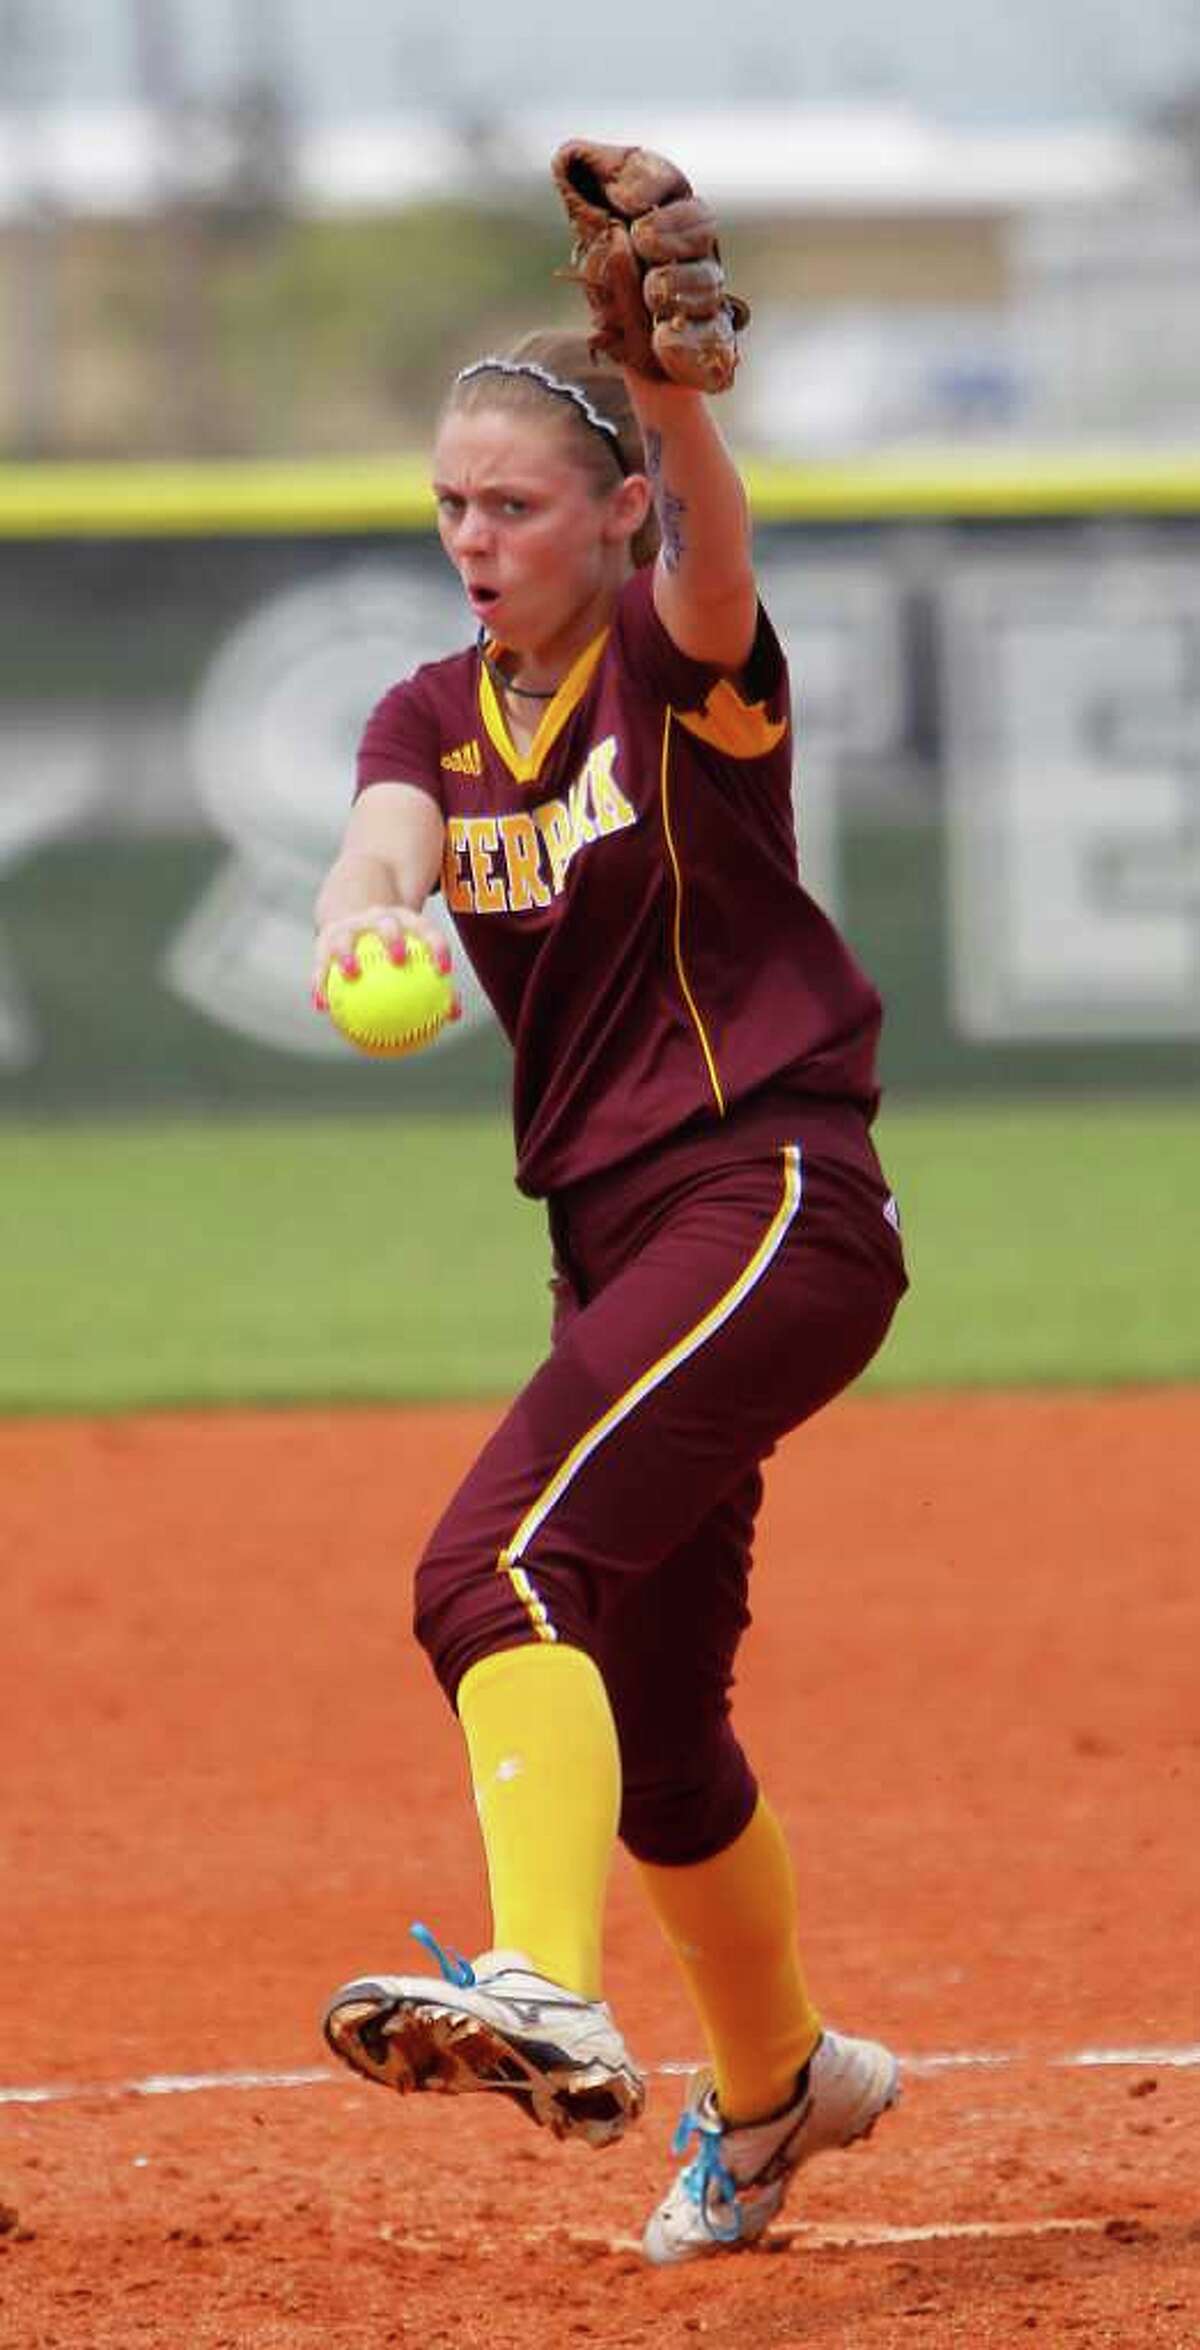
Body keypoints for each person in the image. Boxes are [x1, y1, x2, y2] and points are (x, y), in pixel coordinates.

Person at [312, 142, 907, 2265]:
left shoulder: (678, 661)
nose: (478, 540)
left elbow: (723, 551)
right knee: (657, 1733)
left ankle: (536, 1973)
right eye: (454, 508)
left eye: (518, 504)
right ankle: (783, 2089)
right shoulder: (427, 709)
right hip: (620, 1234)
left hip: (768, 1193)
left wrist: (676, 399)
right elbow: (385, 846)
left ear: (615, 516)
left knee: (494, 1565)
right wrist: (361, 917)